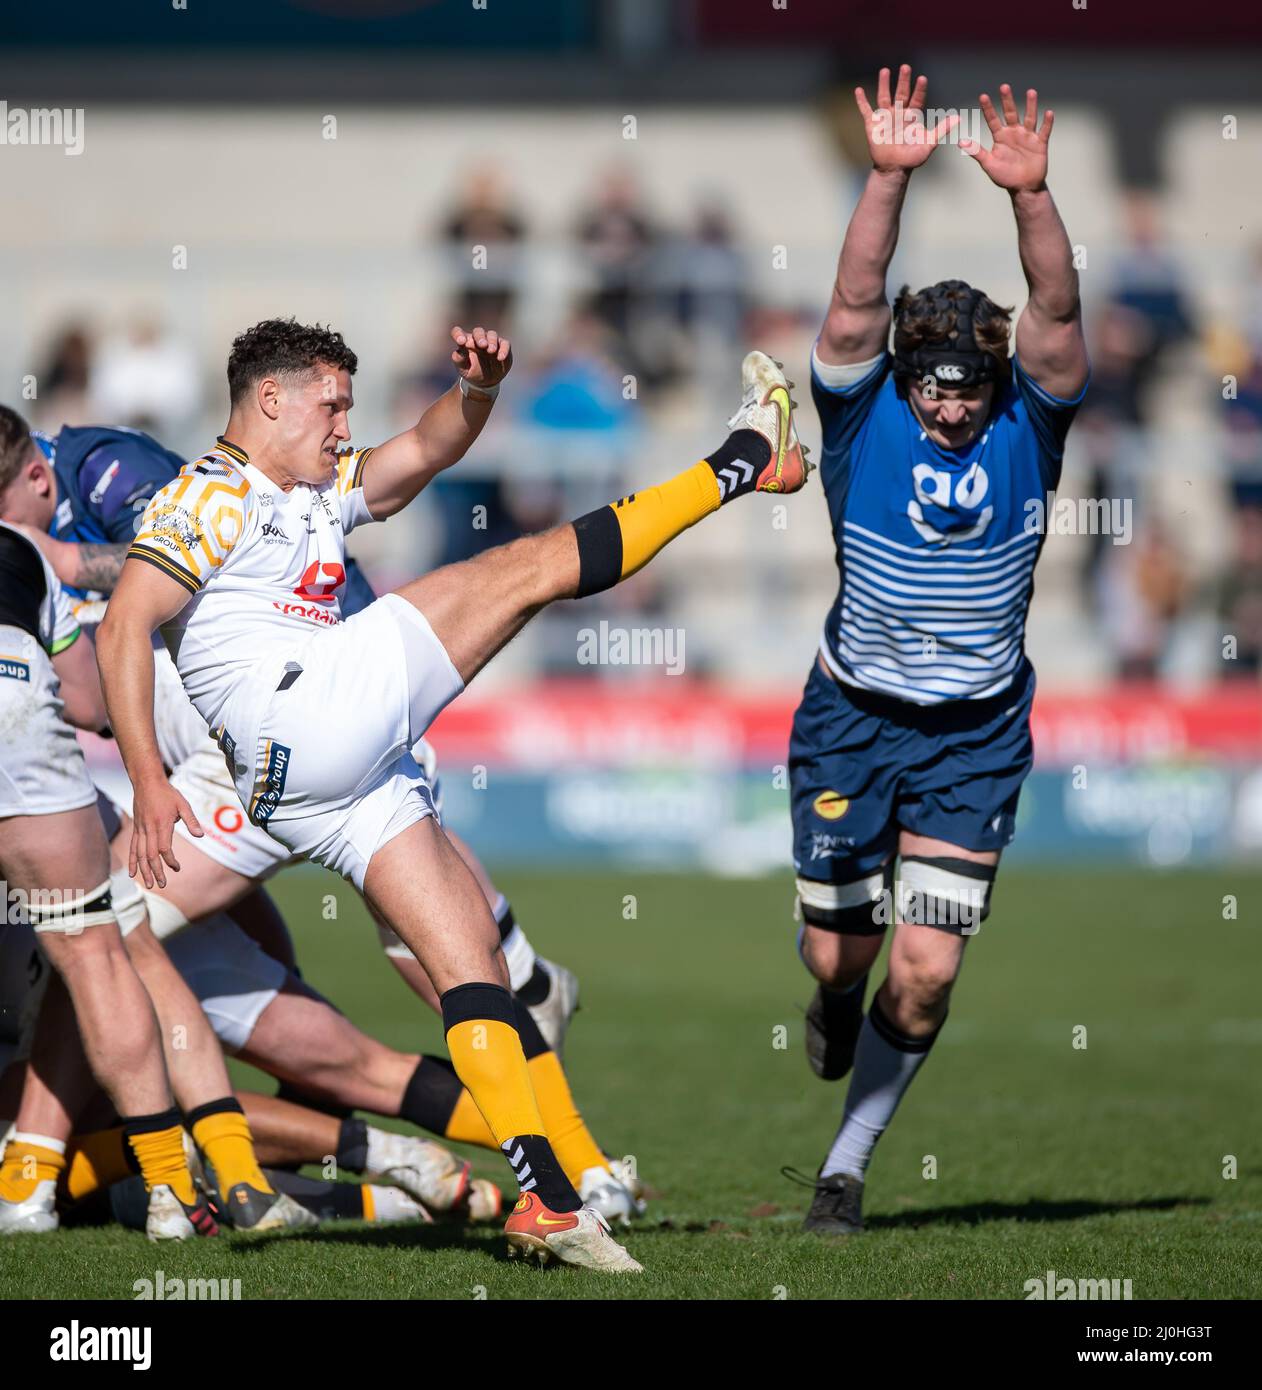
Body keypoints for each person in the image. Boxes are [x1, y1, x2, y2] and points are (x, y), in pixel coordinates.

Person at [97, 318, 808, 1270]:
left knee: (467, 961)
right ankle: (742, 457)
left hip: (317, 784)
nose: (345, 423)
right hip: (302, 717)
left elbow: (427, 449)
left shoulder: (312, 490)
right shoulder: (211, 494)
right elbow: (122, 624)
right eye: (331, 403)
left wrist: (476, 394)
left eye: (349, 404)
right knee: (524, 568)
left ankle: (549, 1202)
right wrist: (147, 778)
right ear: (269, 399)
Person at [787, 67, 1088, 1234]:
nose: (953, 410)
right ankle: (831, 993)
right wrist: (886, 176)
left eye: (970, 388)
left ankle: (845, 1166)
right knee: (834, 956)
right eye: (934, 388)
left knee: (928, 970)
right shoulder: (860, 413)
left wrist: (1030, 197)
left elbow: (1055, 311)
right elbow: (854, 302)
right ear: (905, 379)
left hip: (974, 730)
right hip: (850, 715)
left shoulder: (1033, 412)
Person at [0, 519, 217, 1240]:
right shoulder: (22, 548)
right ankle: (168, 1193)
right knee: (94, 953)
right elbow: (91, 706)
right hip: (14, 696)